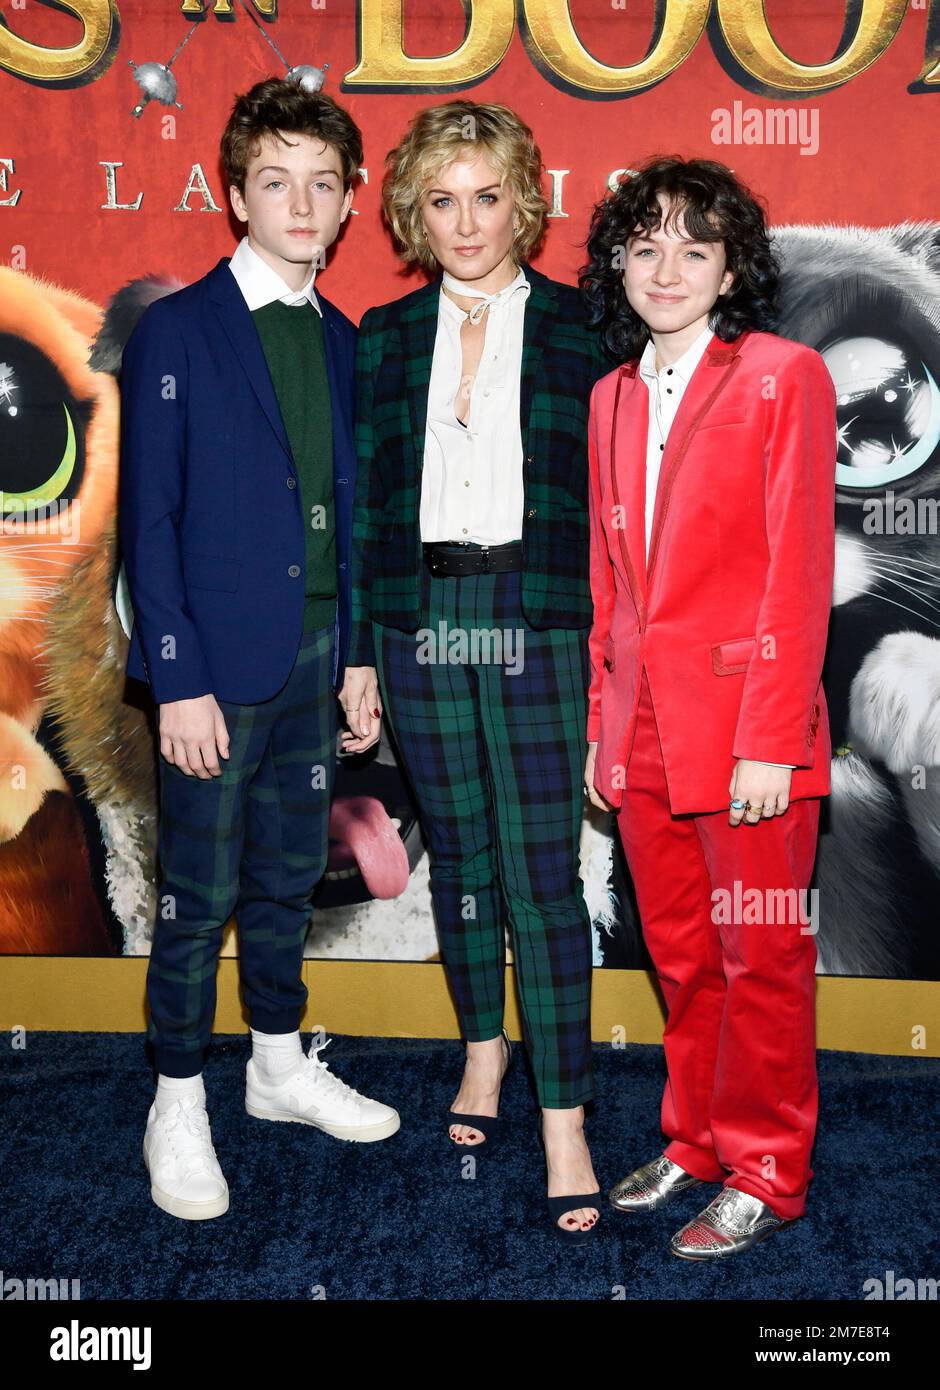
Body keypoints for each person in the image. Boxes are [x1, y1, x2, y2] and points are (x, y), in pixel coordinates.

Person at [119, 77, 399, 1222]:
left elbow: (358, 512)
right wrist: (174, 676)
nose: (300, 201)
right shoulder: (176, 330)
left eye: (322, 184)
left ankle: (276, 1063)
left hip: (320, 652)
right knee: (198, 892)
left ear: (347, 205)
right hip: (215, 670)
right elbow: (149, 522)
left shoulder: (346, 339)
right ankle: (175, 1098)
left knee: (288, 879)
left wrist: (360, 656)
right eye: (275, 180)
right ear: (236, 194)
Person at [342, 100, 613, 1243]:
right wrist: (359, 652)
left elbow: (616, 518)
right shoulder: (382, 336)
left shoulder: (581, 329)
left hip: (537, 612)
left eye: (486, 196)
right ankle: (482, 1057)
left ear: (523, 204)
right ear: (412, 210)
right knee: (460, 858)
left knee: (543, 875)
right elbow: (358, 516)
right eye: (441, 199)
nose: (465, 221)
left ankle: (564, 1121)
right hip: (419, 616)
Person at [579, 155, 836, 1258]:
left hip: (748, 737)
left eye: (694, 245)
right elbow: (609, 583)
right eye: (645, 246)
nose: (667, 267)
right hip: (642, 730)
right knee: (681, 957)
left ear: (732, 266)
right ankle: (693, 1140)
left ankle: (767, 1166)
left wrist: (770, 741)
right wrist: (603, 721)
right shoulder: (609, 396)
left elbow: (796, 570)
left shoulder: (784, 374)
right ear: (618, 265)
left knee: (759, 959)